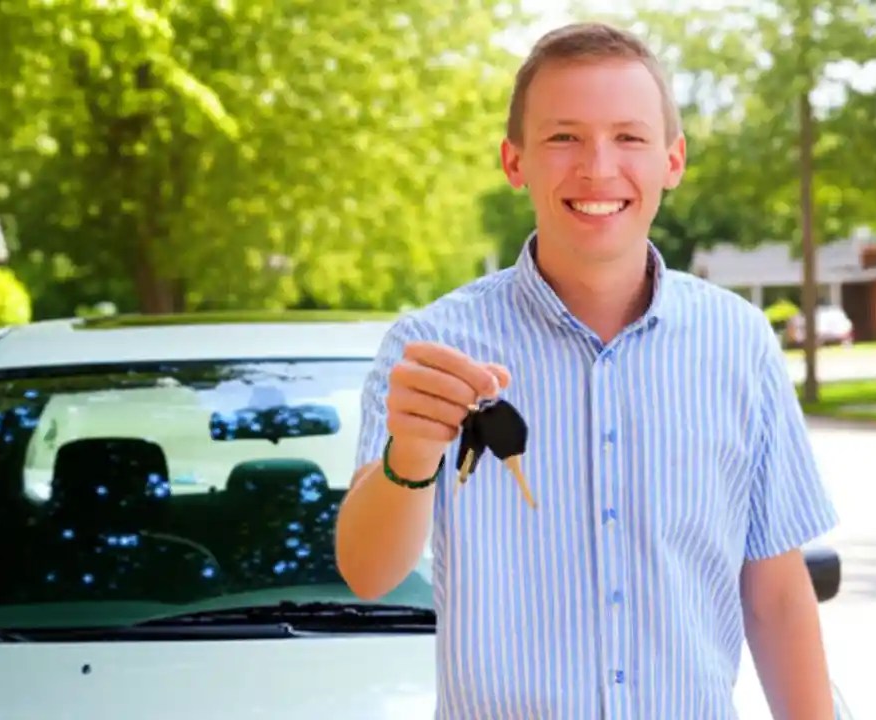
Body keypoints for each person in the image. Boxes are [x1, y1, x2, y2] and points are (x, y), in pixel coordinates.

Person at [334, 20, 839, 720]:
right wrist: (413, 455)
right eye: (564, 137)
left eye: (629, 137)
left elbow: (778, 597)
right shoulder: (430, 347)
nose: (599, 168)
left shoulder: (739, 343)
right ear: (515, 163)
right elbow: (367, 572)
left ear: (673, 160)